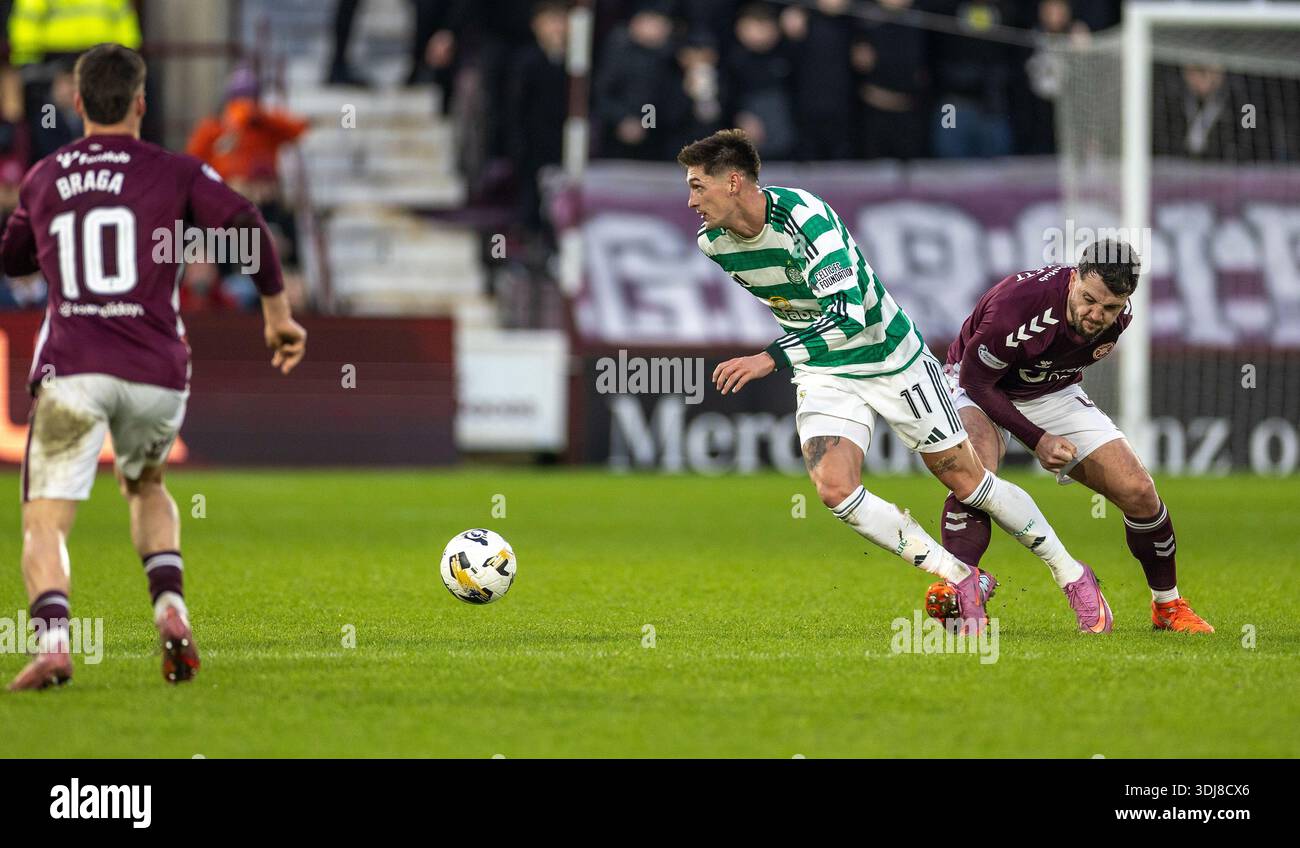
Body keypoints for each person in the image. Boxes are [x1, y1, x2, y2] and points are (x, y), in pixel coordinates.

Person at [679, 129, 1104, 633]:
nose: (690, 201)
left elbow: (848, 316)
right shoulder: (714, 244)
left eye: (697, 186)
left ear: (732, 183)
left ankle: (1073, 574)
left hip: (890, 357)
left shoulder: (806, 219)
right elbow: (797, 308)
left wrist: (771, 359)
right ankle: (961, 577)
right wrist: (793, 355)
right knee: (834, 489)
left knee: (967, 482)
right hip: (824, 368)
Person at [0, 44, 308, 690]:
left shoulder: (46, 176)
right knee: (146, 487)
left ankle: (54, 643)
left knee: (46, 517)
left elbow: (14, 259)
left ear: (78, 103)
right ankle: (170, 610)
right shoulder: (176, 172)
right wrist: (277, 316)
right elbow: (248, 224)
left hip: (73, 369)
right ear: (142, 103)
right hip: (156, 370)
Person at [940, 242, 1214, 633]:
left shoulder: (1118, 319)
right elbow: (975, 380)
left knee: (1139, 491)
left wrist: (1047, 428)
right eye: (1089, 300)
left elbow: (1064, 361)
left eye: (1110, 308)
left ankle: (1167, 607)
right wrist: (1037, 439)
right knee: (974, 475)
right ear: (1074, 278)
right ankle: (962, 590)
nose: (1096, 315)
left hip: (1051, 392)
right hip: (978, 385)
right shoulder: (1018, 306)